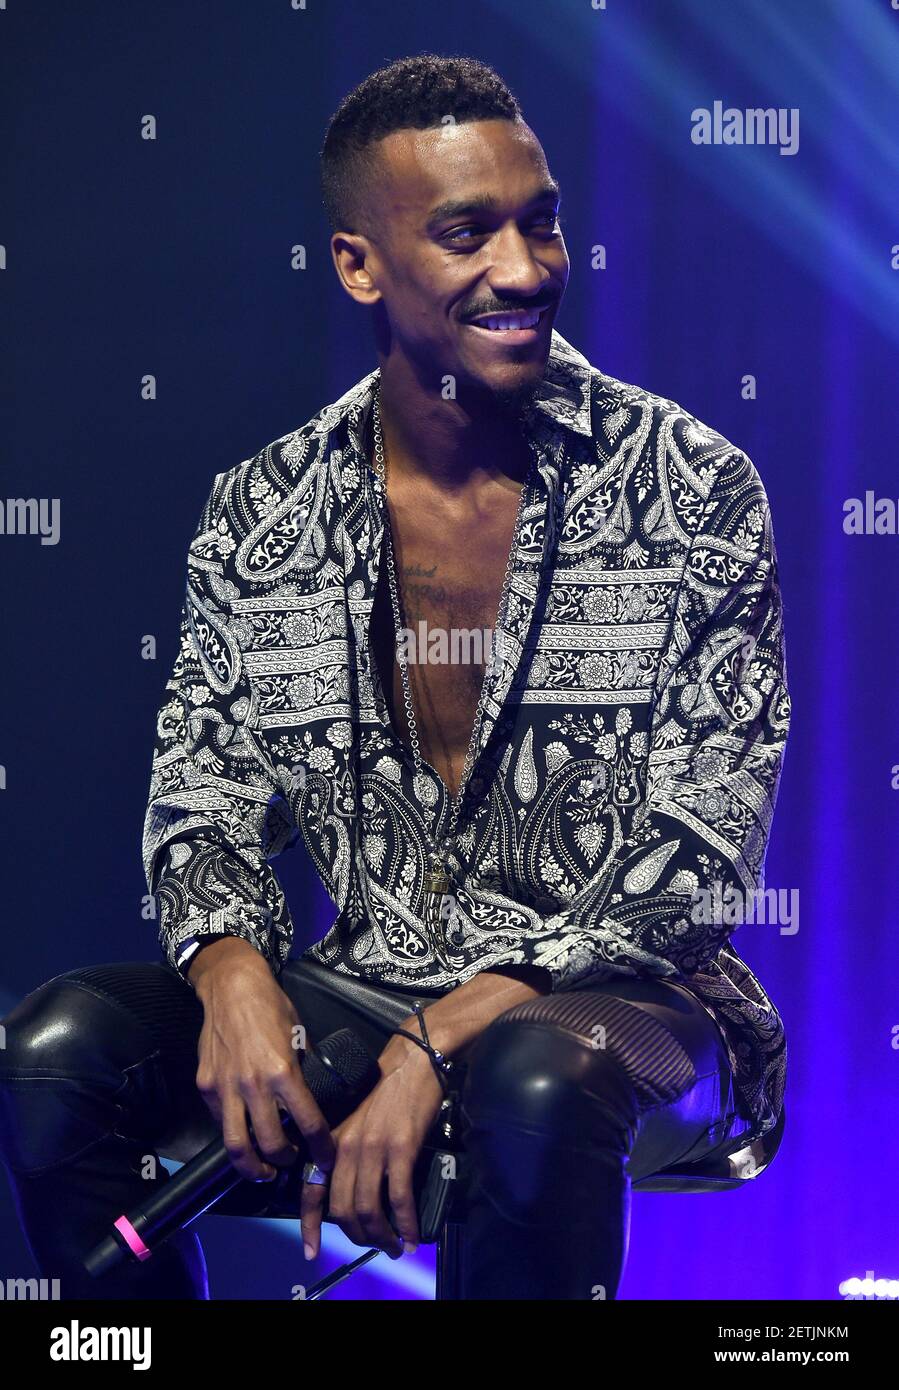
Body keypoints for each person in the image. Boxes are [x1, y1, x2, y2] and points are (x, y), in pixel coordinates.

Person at [0, 54, 791, 1301]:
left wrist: (440, 1039)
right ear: (359, 265)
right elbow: (200, 787)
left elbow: (699, 847)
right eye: (467, 233)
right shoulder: (267, 507)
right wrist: (230, 966)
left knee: (532, 1082)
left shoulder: (691, 486)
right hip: (362, 981)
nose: (525, 270)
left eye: (542, 223)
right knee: (60, 1053)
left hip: (628, 1006)